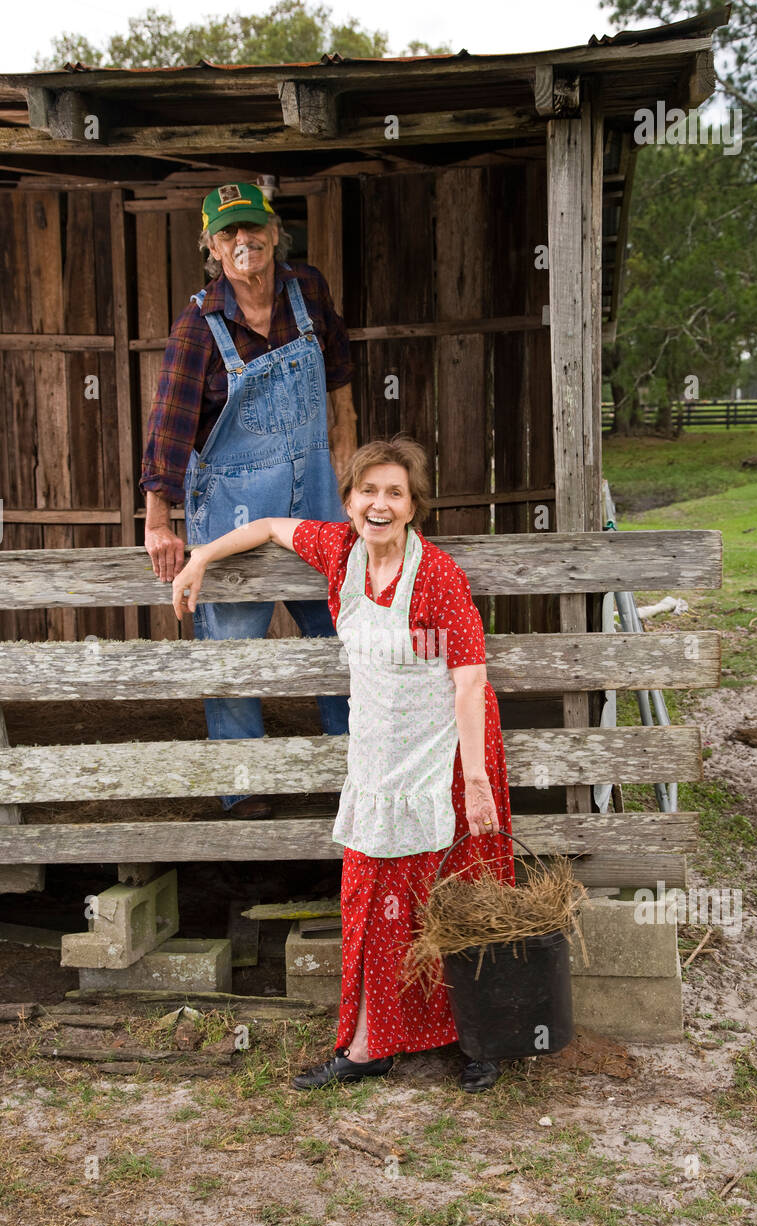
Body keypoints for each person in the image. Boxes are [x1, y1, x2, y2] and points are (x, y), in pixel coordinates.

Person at [173, 436, 516, 1093]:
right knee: (372, 896)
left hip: (450, 754)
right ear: (350, 500)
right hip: (380, 756)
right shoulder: (338, 552)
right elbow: (272, 525)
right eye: (368, 491)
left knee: (458, 902)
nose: (379, 504)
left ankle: (482, 1037)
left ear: (414, 506)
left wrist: (475, 782)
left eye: (395, 492)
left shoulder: (438, 576)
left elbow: (470, 680)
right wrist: (203, 555)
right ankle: (369, 1046)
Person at [141, 181, 356, 818]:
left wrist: (348, 480)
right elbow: (171, 424)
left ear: (273, 232)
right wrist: (160, 520)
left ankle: (355, 771)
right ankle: (246, 795)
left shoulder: (308, 290)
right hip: (233, 502)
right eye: (228, 233)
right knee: (233, 649)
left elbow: (340, 381)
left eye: (252, 228)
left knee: (342, 634)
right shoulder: (198, 324)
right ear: (211, 246)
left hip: (316, 491)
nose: (243, 242)